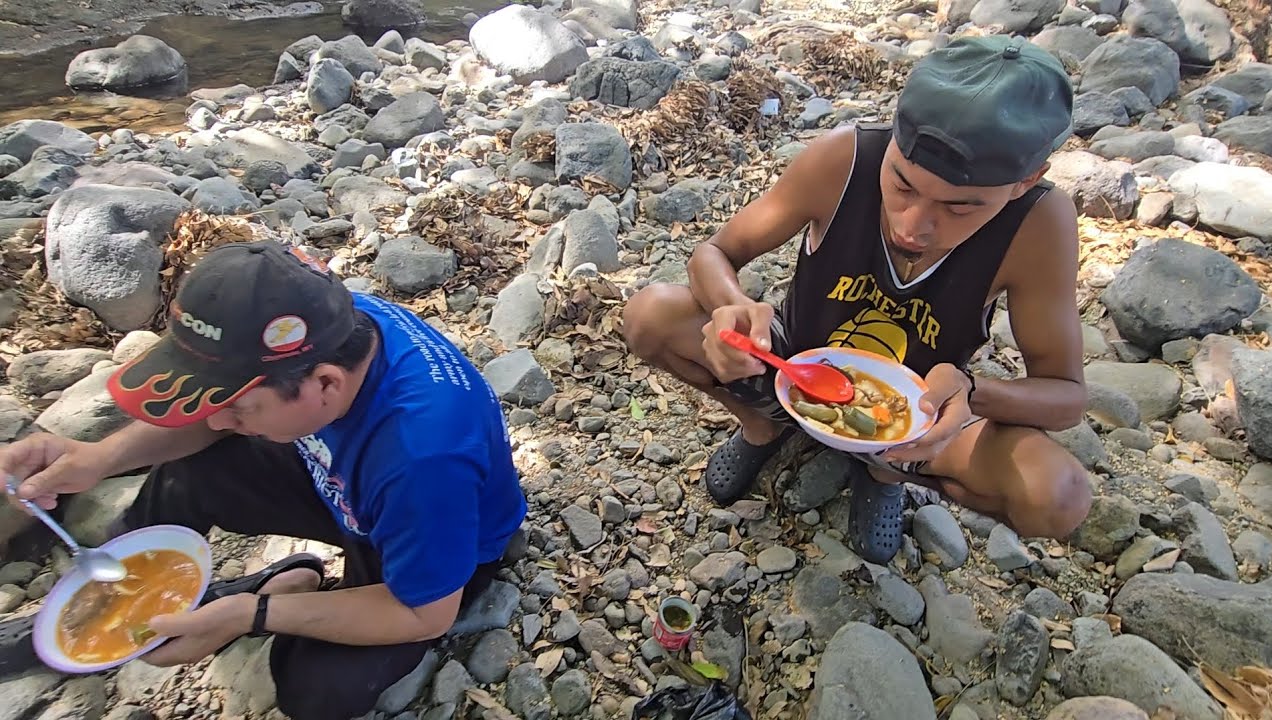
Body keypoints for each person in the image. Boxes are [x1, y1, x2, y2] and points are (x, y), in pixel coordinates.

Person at [2, 240, 528, 720]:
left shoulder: (423, 457)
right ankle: (110, 601)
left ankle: (253, 597)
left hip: (427, 538)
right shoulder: (331, 324)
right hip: (339, 475)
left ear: (324, 384)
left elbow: (425, 615)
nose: (214, 422)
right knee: (189, 476)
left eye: (236, 407)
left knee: (314, 691)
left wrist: (247, 617)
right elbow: (208, 420)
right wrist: (97, 458)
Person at [622, 35, 1093, 564]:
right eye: (902, 184)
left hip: (919, 411)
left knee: (1058, 497)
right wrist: (731, 303)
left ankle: (885, 471)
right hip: (790, 370)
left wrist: (971, 392)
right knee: (650, 314)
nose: (913, 227)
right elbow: (714, 252)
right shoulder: (844, 160)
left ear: (1026, 181)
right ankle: (762, 426)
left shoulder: (1037, 223)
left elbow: (1066, 396)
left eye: (960, 208)